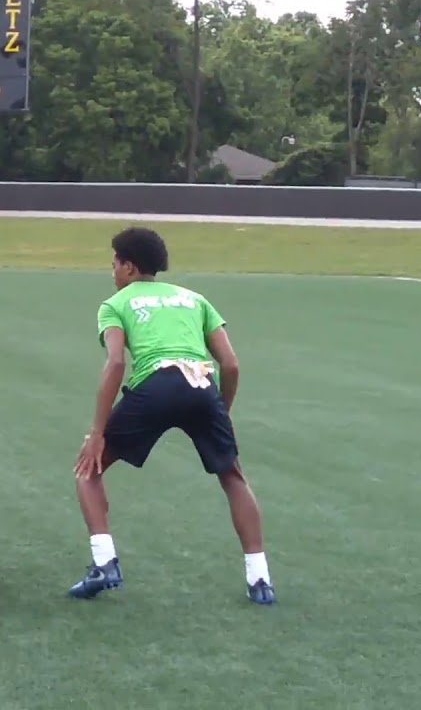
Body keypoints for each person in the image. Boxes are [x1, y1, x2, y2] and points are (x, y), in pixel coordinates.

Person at [68, 226, 275, 606]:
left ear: (129, 267)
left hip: (157, 386)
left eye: (114, 263)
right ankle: (260, 580)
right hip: (203, 387)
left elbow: (115, 363)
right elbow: (230, 365)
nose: (112, 271)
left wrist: (97, 431)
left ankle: (104, 563)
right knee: (233, 476)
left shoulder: (116, 303)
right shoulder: (195, 299)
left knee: (88, 469)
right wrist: (220, 413)